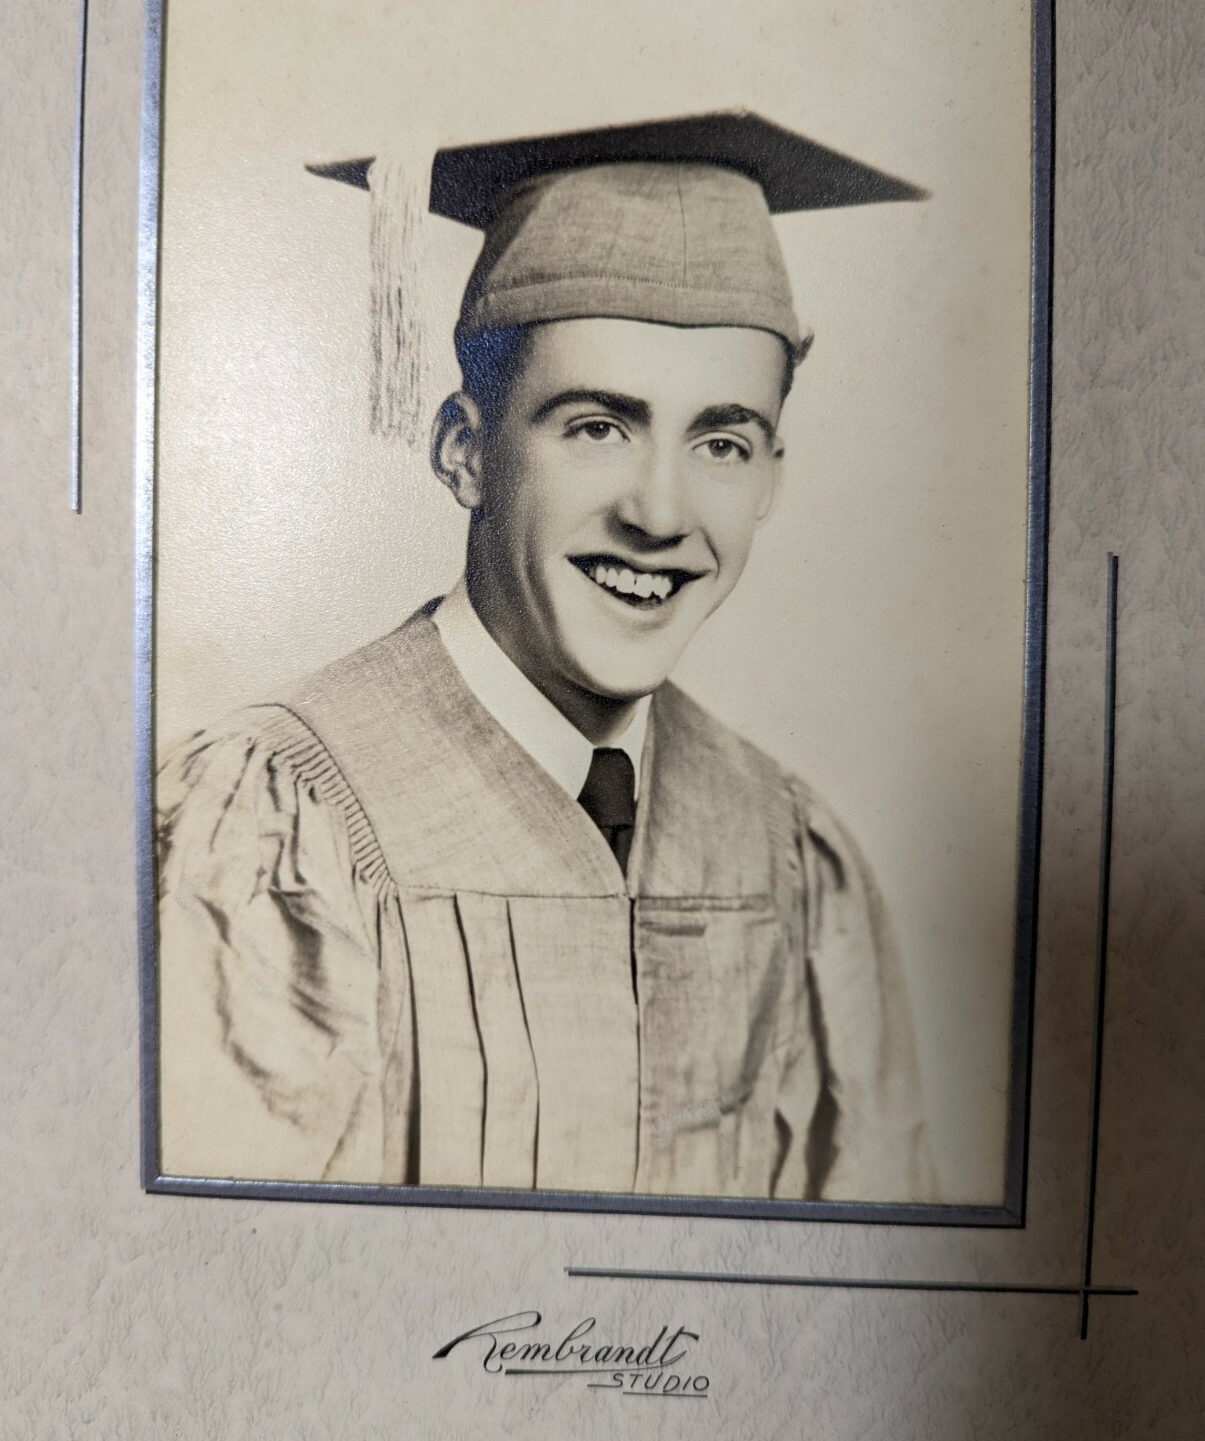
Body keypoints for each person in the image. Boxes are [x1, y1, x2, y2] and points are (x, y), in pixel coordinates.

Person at [156, 112, 935, 1204]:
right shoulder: (276, 831)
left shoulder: (788, 853)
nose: (660, 512)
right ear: (463, 450)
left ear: (769, 478)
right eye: (596, 427)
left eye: (719, 441)